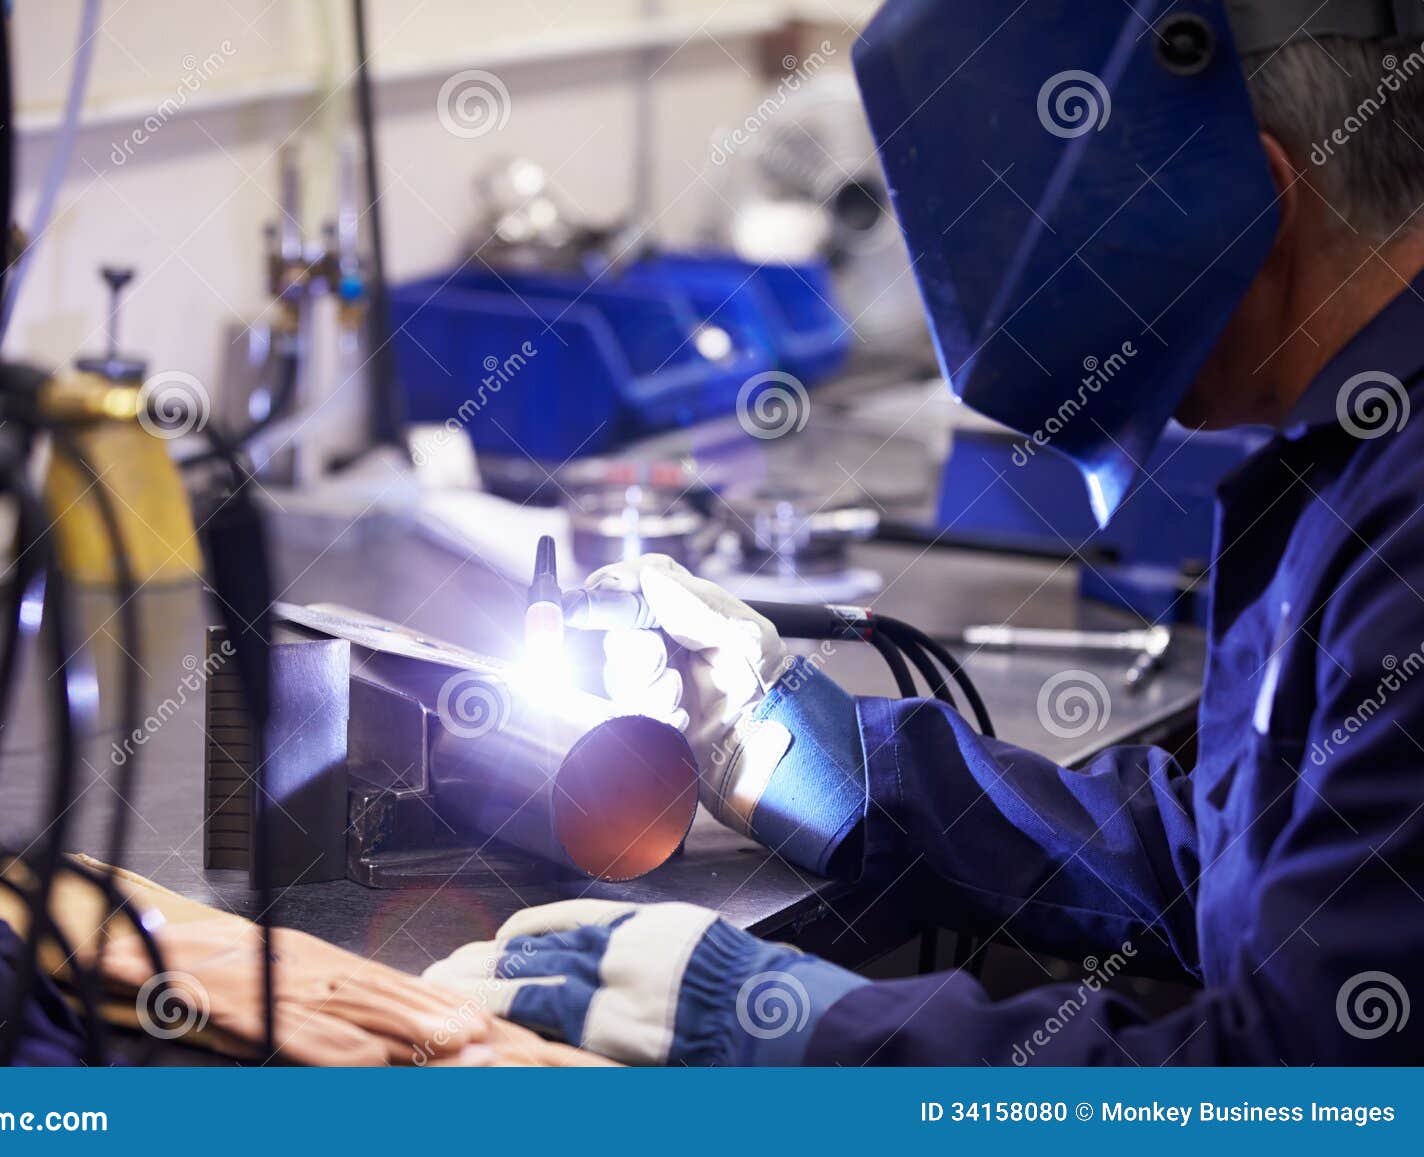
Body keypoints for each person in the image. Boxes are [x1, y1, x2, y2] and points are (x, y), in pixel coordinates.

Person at [426, 0, 1424, 1065]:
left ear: (1258, 205)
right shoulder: (1362, 446)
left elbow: (1299, 1085)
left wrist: (794, 1024)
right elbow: (1240, 862)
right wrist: (822, 762)